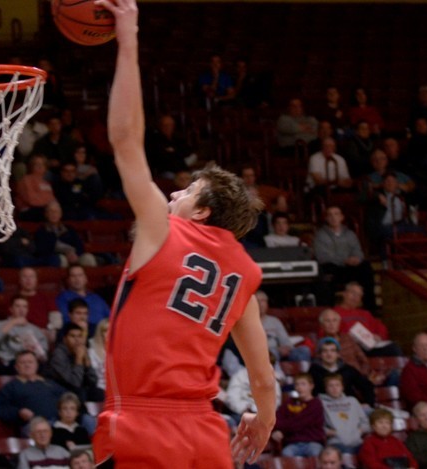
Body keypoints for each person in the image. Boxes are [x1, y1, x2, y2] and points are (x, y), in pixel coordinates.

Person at [92, 1, 276, 465]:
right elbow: (263, 379)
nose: (175, 192)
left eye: (189, 190)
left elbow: (125, 140)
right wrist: (265, 419)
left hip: (141, 427)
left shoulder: (162, 227)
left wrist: (128, 38)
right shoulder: (244, 281)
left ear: (203, 212)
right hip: (205, 435)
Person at [314, 206, 377, 311]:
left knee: (366, 267)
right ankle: (329, 311)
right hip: (333, 268)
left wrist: (356, 259)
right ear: (326, 218)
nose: (333, 217)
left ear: (341, 217)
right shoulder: (320, 235)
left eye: (336, 214)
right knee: (326, 271)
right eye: (330, 215)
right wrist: (344, 260)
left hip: (349, 268)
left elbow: (357, 250)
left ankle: (371, 310)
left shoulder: (350, 234)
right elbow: (322, 256)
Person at [0, 351, 66, 429]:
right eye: (23, 363)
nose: (27, 365)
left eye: (30, 362)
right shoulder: (11, 387)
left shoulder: (49, 383)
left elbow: (68, 398)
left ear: (37, 365)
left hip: (58, 423)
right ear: (16, 367)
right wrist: (18, 412)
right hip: (32, 425)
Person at [333, 283, 399, 356]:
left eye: (359, 295)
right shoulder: (334, 313)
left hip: (369, 346)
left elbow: (381, 328)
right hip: (350, 346)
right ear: (344, 294)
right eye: (353, 293)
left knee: (393, 348)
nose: (355, 297)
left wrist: (379, 336)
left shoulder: (365, 314)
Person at [271, 373, 326, 458]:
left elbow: (300, 423)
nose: (299, 387)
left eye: (303, 384)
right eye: (297, 384)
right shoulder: (289, 402)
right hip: (292, 443)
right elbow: (275, 420)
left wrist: (282, 428)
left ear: (311, 386)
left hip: (313, 442)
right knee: (286, 454)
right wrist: (275, 430)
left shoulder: (316, 404)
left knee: (317, 454)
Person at [309, 338, 376, 406]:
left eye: (333, 350)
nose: (329, 354)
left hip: (349, 406)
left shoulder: (348, 370)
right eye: (325, 351)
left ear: (338, 354)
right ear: (320, 354)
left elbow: (366, 385)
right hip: (324, 407)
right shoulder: (313, 372)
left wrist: (368, 403)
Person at [44, 323, 102, 402]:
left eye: (79, 336)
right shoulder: (58, 355)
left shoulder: (80, 350)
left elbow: (93, 381)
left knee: (100, 393)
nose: (77, 340)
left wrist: (87, 362)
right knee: (81, 393)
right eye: (73, 336)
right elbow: (74, 383)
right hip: (59, 390)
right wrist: (79, 359)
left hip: (76, 389)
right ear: (65, 339)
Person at [0, 296, 49, 367]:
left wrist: (34, 352)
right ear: (11, 309)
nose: (21, 310)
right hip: (9, 364)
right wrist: (12, 323)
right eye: (17, 306)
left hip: (31, 363)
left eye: (24, 307)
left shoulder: (35, 329)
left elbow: (44, 353)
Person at [34, 202, 99, 268]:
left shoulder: (69, 229)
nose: (54, 214)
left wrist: (75, 254)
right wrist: (65, 253)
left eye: (56, 212)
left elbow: (79, 245)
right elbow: (43, 250)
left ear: (60, 214)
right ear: (46, 214)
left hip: (73, 255)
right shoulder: (41, 231)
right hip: (57, 257)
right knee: (61, 260)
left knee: (88, 258)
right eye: (51, 211)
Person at [321, 374, 369, 455]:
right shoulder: (321, 403)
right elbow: (318, 426)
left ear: (342, 387)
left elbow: (366, 422)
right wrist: (330, 432)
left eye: (337, 385)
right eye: (331, 386)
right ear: (326, 389)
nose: (334, 388)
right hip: (336, 443)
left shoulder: (352, 401)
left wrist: (359, 431)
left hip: (357, 442)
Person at [318, 308, 371, 379]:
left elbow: (364, 361)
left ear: (339, 323)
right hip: (337, 381)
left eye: (334, 320)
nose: (331, 324)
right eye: (327, 321)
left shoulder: (348, 338)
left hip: (358, 378)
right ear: (322, 325)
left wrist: (361, 375)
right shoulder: (320, 343)